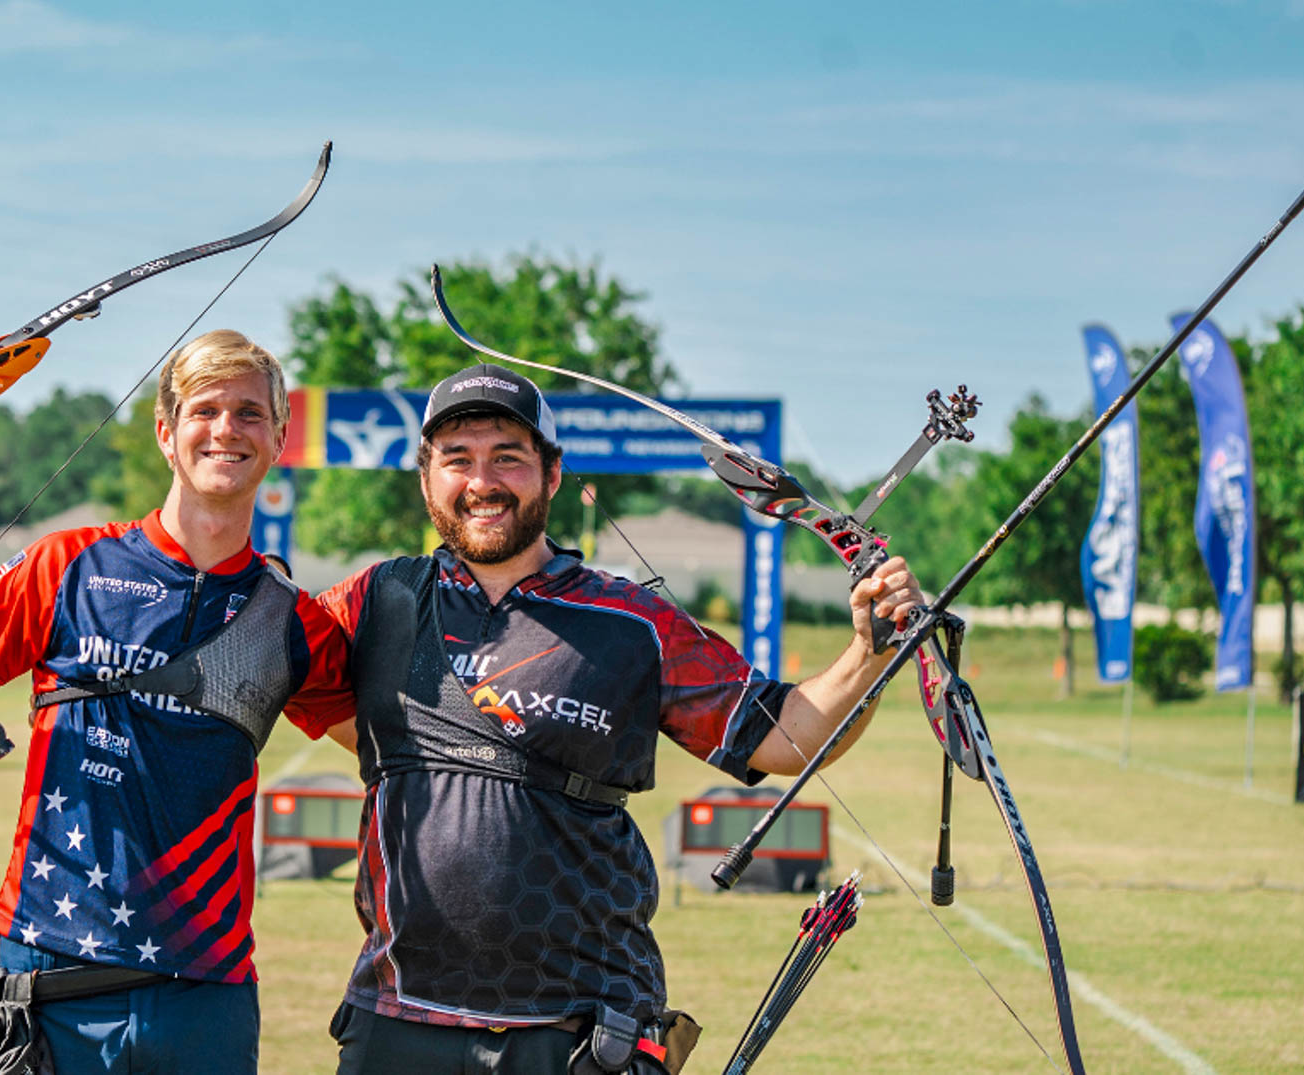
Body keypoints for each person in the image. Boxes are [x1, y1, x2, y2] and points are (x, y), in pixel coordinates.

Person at [314, 363, 924, 1074]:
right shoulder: (373, 600)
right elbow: (266, 661)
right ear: (426, 478)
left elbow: (784, 736)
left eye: (508, 457)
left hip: (574, 1028)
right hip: (399, 1022)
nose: (482, 481)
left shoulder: (629, 620)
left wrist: (867, 650)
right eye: (458, 459)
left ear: (552, 472)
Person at [0, 329, 355, 1074]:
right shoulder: (65, 567)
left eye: (249, 413)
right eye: (203, 410)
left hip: (205, 997)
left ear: (279, 438)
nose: (226, 429)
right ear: (166, 433)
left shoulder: (291, 618)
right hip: (51, 982)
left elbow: (409, 751)